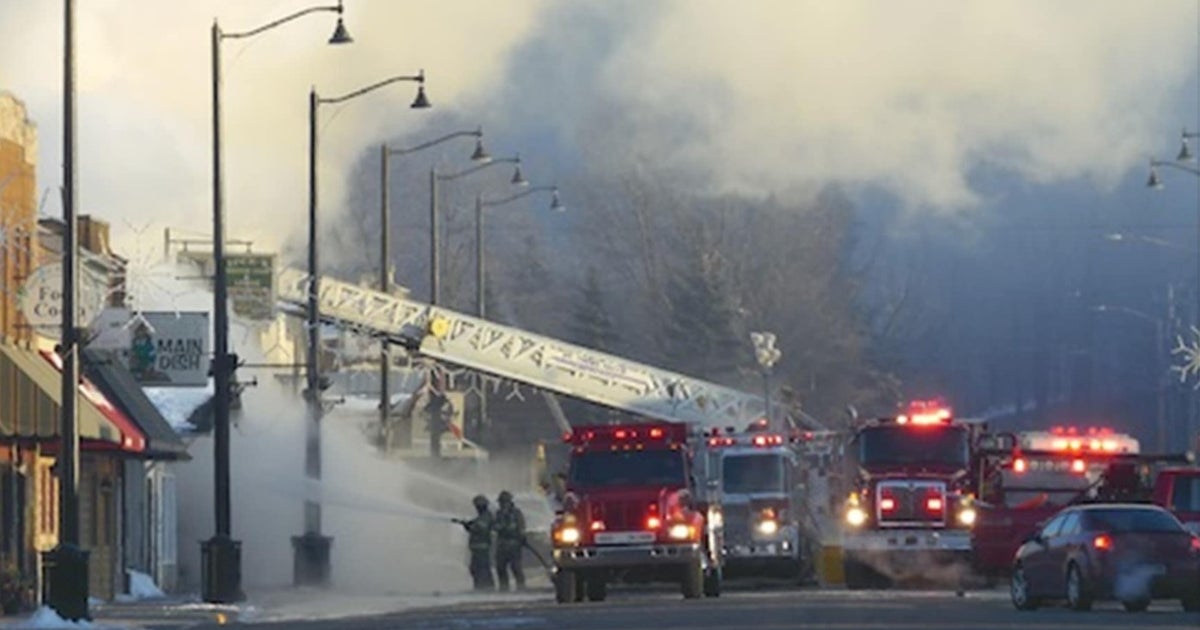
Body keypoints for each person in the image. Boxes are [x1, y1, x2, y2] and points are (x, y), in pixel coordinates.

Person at [458, 494, 495, 591]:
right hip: (477, 549)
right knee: (475, 569)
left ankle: (485, 588)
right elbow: (476, 523)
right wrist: (467, 523)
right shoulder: (482, 516)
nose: (476, 508)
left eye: (477, 506)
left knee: (481, 569)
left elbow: (481, 528)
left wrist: (468, 526)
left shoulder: (486, 516)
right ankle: (481, 587)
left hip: (482, 549)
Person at [493, 490, 527, 591]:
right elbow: (495, 526)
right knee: (500, 568)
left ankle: (521, 588)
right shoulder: (498, 514)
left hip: (514, 545)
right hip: (502, 545)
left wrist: (521, 537)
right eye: (501, 502)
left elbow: (521, 527)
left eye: (504, 502)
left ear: (509, 501)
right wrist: (500, 527)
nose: (502, 504)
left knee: (516, 567)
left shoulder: (516, 513)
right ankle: (504, 588)